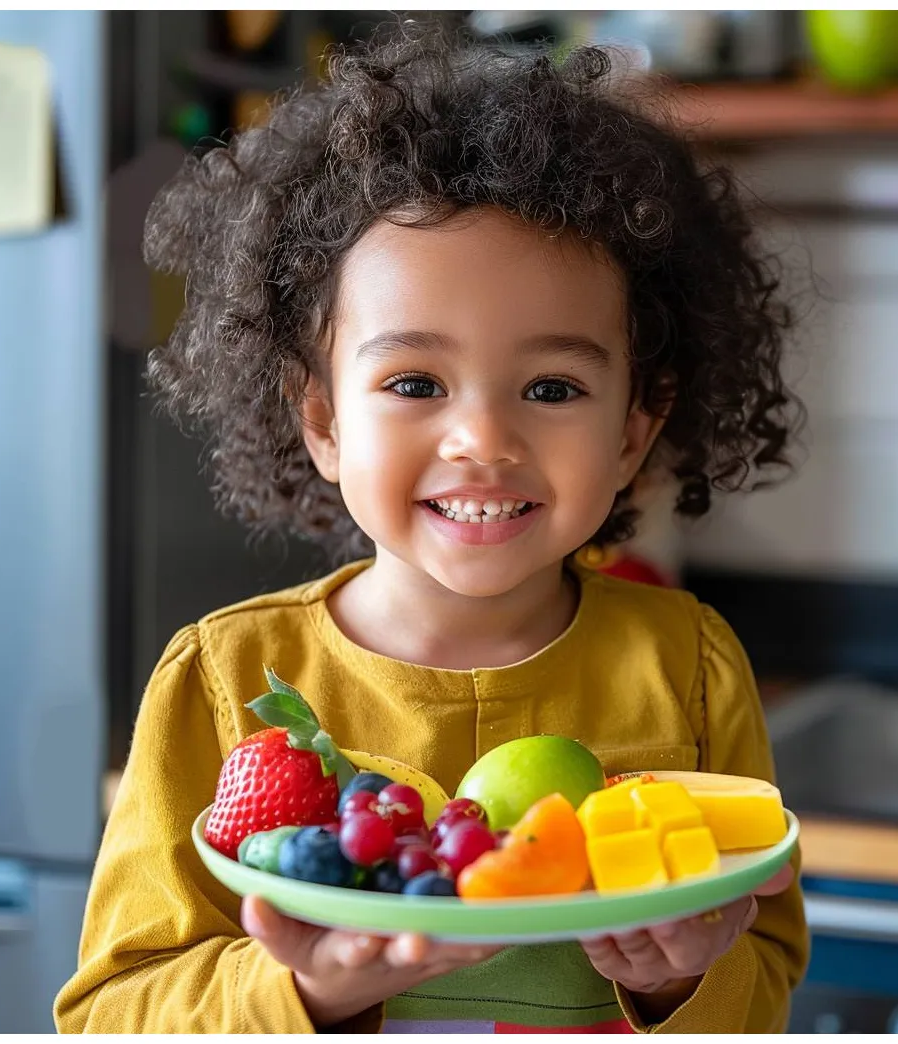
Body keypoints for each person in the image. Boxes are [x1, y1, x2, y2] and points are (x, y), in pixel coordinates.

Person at [55, 23, 809, 1034]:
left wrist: (678, 983)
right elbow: (111, 1008)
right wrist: (308, 992)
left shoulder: (692, 668)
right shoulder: (223, 682)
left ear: (634, 429)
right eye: (415, 383)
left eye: (552, 387)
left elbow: (767, 975)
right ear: (323, 419)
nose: (483, 441)